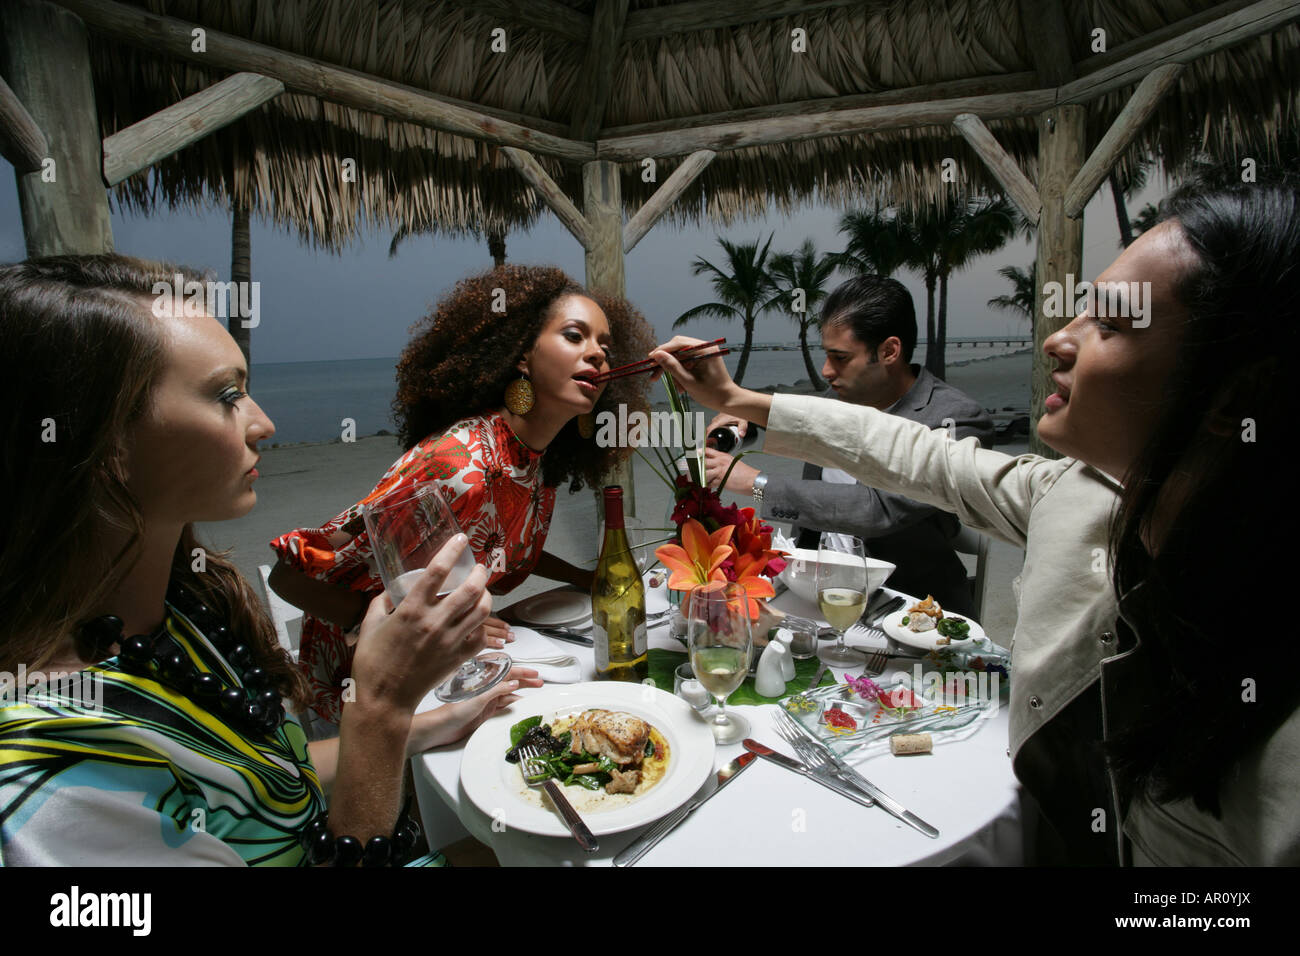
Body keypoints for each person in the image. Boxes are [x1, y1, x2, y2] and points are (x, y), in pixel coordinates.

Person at [650, 173, 1300, 866]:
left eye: (1108, 324)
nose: (1056, 340)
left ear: (1237, 398)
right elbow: (918, 457)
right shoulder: (1074, 494)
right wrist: (743, 401)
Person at [0, 254, 542, 865]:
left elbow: (266, 780)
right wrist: (381, 707)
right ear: (98, 442)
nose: (265, 423)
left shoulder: (180, 612)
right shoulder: (55, 778)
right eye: (226, 395)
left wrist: (432, 725)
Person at [269, 265, 656, 733]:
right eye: (575, 336)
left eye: (605, 347)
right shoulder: (458, 463)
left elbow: (498, 547)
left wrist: (581, 576)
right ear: (522, 358)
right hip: (363, 690)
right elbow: (290, 577)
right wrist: (413, 627)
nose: (597, 354)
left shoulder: (534, 461)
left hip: (438, 669)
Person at [703, 275, 994, 614]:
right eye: (826, 355)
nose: (826, 371)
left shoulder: (954, 420)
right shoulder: (841, 397)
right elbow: (795, 415)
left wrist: (755, 485)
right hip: (809, 592)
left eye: (840, 358)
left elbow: (875, 509)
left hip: (907, 606)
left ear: (889, 351)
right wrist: (744, 416)